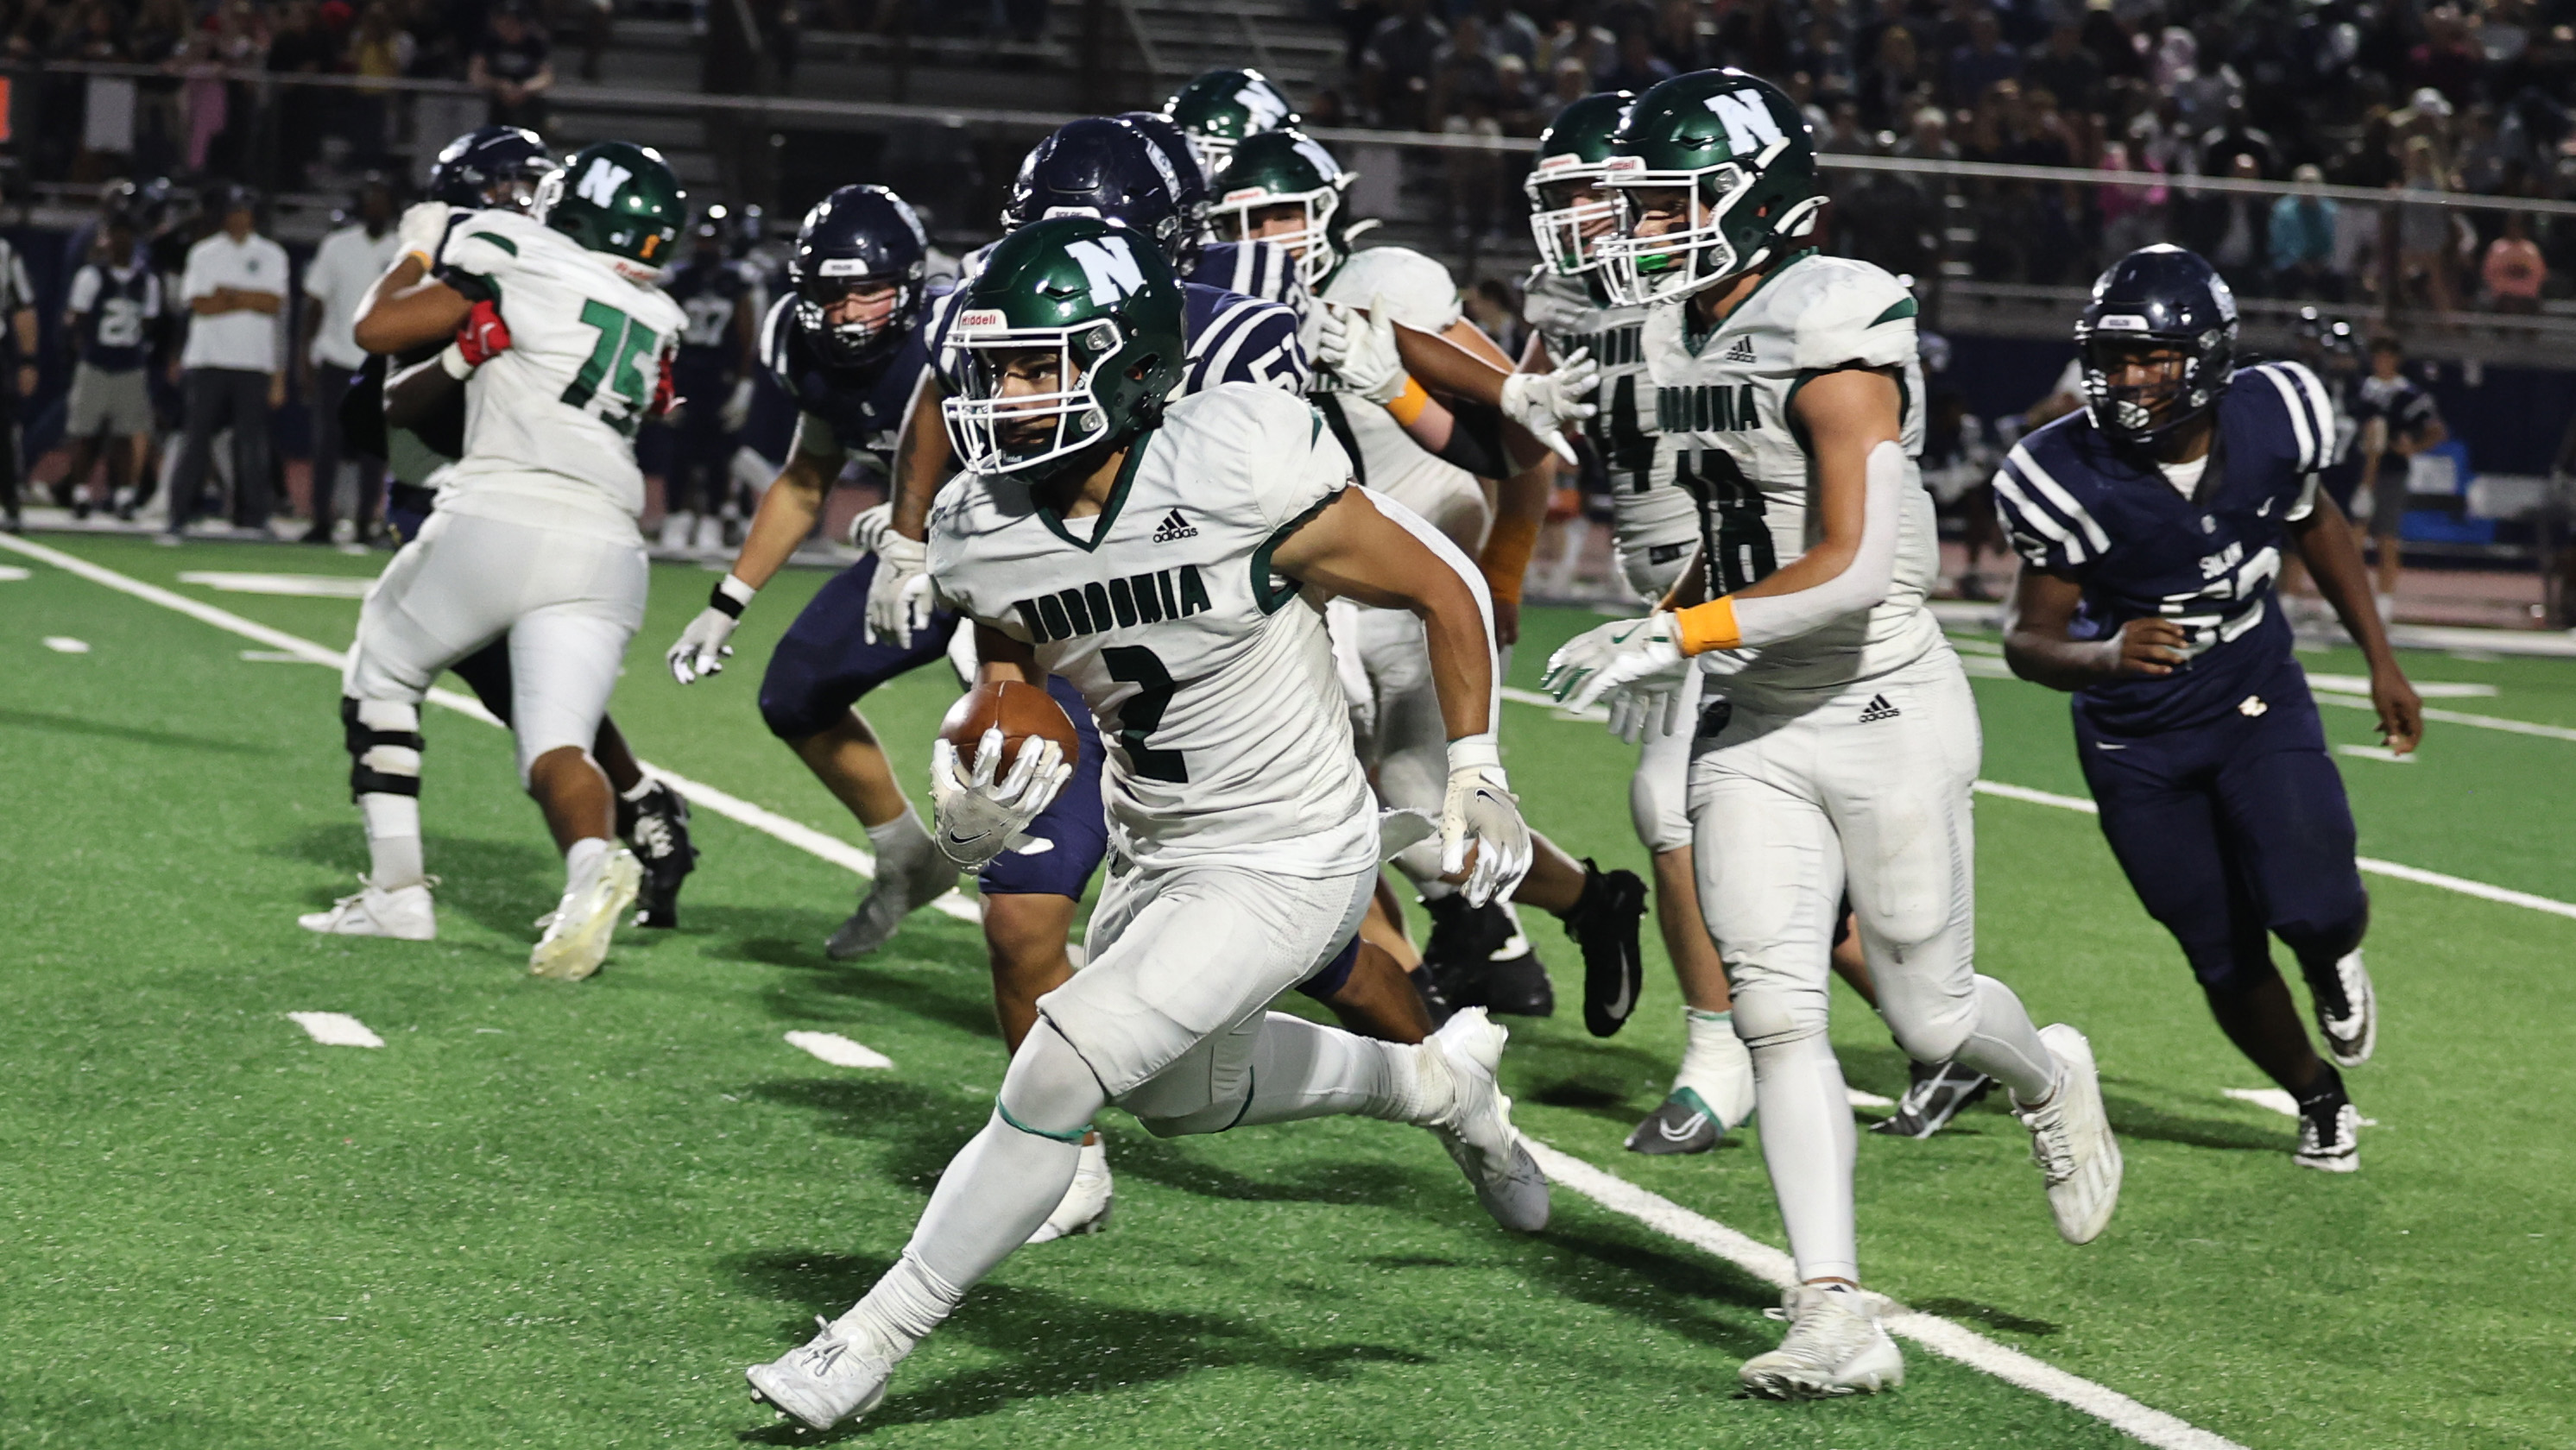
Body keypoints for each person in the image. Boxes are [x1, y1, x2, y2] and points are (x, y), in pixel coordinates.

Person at [742, 216, 1544, 1433]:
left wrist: (1477, 766)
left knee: (1059, 1064)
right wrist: (970, 810)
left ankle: (871, 1336)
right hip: (1159, 844)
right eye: (993, 367)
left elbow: (1445, 584)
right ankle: (1438, 1089)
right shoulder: (982, 526)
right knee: (1182, 1100)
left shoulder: (1235, 459)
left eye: (1034, 365)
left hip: (1294, 844)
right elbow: (1013, 673)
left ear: (1125, 363)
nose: (1002, 395)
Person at [1547, 69, 2122, 1398]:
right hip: (1753, 716)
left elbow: (1860, 564)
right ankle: (1831, 1305)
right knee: (1777, 1012)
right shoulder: (1644, 331)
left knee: (1928, 1016)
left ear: (1755, 204)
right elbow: (1678, 502)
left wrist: (1679, 634)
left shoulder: (1834, 316)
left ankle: (2046, 1076)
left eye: (1670, 202)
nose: (1638, 229)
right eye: (1632, 204)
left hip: (1881, 701)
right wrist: (1662, 604)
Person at [1993, 244, 2420, 1173]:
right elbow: (2026, 643)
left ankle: (2329, 961)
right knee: (2216, 947)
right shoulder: (2063, 473)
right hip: (2133, 734)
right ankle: (2315, 1094)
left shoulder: (2276, 415)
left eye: (2153, 360)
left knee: (2315, 903)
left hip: (2249, 689)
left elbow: (2316, 520)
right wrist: (2104, 656)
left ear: (2208, 358)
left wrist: (2378, 658)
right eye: (2112, 359)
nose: (2130, 380)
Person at [1206, 126, 1642, 1032]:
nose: (1272, 240)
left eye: (1286, 215)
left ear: (1328, 210)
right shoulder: (1223, 305)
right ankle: (1545, 922)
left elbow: (1523, 436)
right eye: (1247, 222)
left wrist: (1509, 569)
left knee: (1384, 807)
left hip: (1407, 585)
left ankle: (1430, 981)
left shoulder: (1380, 284)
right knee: (1388, 815)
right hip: (1310, 591)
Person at [303, 141, 690, 984]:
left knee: (382, 667)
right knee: (556, 743)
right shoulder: (657, 316)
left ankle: (397, 893)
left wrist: (414, 247)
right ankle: (590, 868)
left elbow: (370, 330)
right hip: (611, 547)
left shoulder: (515, 253)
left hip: (503, 512)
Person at [1517, 91, 1758, 1148]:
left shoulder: (1713, 303)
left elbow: (1742, 486)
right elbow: (1512, 426)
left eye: (1591, 192)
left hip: (1747, 586)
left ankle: (1722, 1052)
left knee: (1671, 807)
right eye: (1559, 195)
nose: (1573, 216)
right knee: (1713, 828)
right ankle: (1943, 1036)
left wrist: (1668, 624)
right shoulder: (1572, 301)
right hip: (1666, 598)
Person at [168, 185, 288, 539]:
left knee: (251, 440)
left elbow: (273, 304)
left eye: (244, 211)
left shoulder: (271, 254)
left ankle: (253, 514)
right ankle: (179, 510)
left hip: (253, 361)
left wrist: (229, 295)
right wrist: (248, 299)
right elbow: (200, 304)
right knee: (196, 437)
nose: (238, 218)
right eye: (233, 211)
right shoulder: (204, 253)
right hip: (207, 358)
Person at [298, 175, 401, 544]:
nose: (376, 207)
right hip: (336, 356)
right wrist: (305, 357)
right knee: (327, 442)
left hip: (381, 360)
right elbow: (315, 304)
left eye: (383, 200)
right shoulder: (337, 246)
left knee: (373, 445)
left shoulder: (406, 250)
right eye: (371, 200)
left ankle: (364, 520)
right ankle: (321, 518)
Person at [653, 212, 759, 553]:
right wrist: (661, 380)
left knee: (717, 455)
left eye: (711, 240)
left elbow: (745, 332)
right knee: (679, 452)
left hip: (718, 375)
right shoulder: (678, 278)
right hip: (685, 373)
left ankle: (712, 521)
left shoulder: (737, 280)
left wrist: (744, 384)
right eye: (701, 239)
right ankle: (677, 519)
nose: (705, 246)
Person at [56, 212, 163, 522]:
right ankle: (79, 493)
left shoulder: (147, 280)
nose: (121, 241)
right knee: (84, 432)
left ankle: (124, 495)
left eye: (127, 234)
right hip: (96, 362)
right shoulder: (91, 276)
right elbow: (75, 320)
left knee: (127, 434)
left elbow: (150, 323)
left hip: (130, 364)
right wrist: (83, 351)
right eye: (116, 234)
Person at [2354, 332, 2446, 613]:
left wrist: (2413, 447)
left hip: (2391, 472)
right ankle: (2346, 599)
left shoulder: (2409, 395)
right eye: (2377, 355)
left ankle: (2383, 602)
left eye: (2387, 355)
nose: (2381, 361)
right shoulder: (2359, 389)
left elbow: (2436, 430)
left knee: (2387, 537)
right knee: (2351, 537)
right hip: (2355, 470)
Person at [470, 1, 554, 133]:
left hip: (527, 99)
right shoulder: (489, 41)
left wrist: (525, 88)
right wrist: (499, 85)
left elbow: (546, 77)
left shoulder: (535, 43)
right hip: (495, 99)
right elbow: (476, 74)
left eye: (513, 23)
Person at [0, 203, 33, 532]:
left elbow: (23, 307)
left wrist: (28, 359)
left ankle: (10, 501)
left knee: (4, 429)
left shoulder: (5, 252)